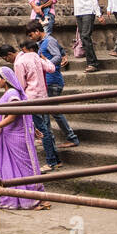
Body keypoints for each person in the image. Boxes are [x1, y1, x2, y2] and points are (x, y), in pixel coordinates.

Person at [0, 66, 48, 209]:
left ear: (4, 80)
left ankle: (33, 198)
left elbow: (14, 114)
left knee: (24, 167)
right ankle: (9, 195)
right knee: (9, 165)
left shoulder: (12, 93)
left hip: (15, 136)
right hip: (11, 135)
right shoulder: (10, 93)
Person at [31, 20, 80, 154]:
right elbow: (61, 51)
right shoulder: (41, 43)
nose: (31, 38)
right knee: (51, 111)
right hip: (48, 81)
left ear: (37, 31)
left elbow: (57, 56)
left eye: (31, 35)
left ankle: (71, 138)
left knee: (53, 112)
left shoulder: (49, 41)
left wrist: (45, 65)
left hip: (53, 81)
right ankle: (47, 137)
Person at [8, 38, 58, 172]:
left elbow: (20, 84)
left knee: (42, 130)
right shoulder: (36, 56)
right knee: (47, 128)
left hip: (31, 98)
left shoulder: (20, 61)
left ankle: (51, 162)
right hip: (43, 97)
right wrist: (45, 58)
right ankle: (56, 160)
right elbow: (52, 68)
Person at [69, 0, 103, 72]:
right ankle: (92, 61)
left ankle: (93, 63)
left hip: (88, 11)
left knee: (85, 36)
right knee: (83, 38)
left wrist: (98, 14)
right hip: (79, 12)